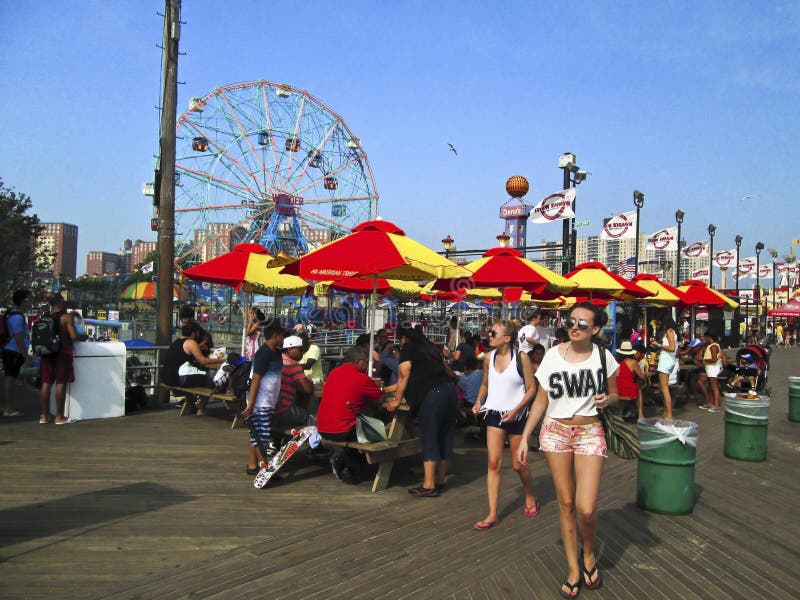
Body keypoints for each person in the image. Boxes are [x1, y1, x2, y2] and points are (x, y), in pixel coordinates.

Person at [517, 301, 619, 599]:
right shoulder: (551, 356)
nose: (575, 327)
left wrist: (607, 400)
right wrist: (525, 437)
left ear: (596, 329)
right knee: (566, 504)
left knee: (586, 507)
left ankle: (589, 553)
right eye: (572, 321)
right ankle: (574, 567)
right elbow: (540, 400)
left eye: (583, 324)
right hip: (555, 432)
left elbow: (616, 394)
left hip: (590, 431)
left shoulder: (603, 356)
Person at [471, 320, 540, 531]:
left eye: (493, 333)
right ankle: (492, 513)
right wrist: (478, 401)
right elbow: (485, 383)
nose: (489, 336)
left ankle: (529, 494)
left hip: (516, 416)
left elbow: (531, 389)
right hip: (494, 414)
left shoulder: (521, 358)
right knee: (493, 464)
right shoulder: (488, 358)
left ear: (507, 338)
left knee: (519, 464)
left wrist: (517, 410)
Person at [387, 325, 459, 497]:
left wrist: (396, 400)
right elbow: (448, 372)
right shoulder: (430, 349)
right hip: (449, 392)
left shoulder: (408, 348)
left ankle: (428, 484)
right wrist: (386, 390)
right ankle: (440, 480)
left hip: (432, 396)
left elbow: (404, 374)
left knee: (430, 436)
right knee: (444, 437)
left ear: (403, 338)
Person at [317, 346, 396, 484]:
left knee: (357, 420)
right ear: (359, 362)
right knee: (380, 425)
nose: (367, 364)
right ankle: (352, 466)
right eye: (366, 361)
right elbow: (379, 399)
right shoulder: (361, 378)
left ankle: (345, 461)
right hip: (343, 430)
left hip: (322, 428)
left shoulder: (333, 373)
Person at [241, 320, 286, 475]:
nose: (283, 339)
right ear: (275, 336)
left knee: (256, 435)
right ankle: (264, 468)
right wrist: (251, 404)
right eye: (282, 336)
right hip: (261, 402)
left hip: (267, 400)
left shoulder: (275, 352)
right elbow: (256, 379)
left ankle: (253, 466)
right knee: (262, 437)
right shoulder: (264, 353)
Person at [38, 292, 90, 425]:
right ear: (61, 302)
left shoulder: (45, 316)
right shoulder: (66, 317)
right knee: (61, 382)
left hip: (47, 353)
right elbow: (73, 336)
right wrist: (83, 337)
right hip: (62, 353)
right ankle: (59, 417)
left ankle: (44, 416)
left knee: (46, 383)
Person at [163, 322, 222, 415]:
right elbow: (203, 361)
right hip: (179, 378)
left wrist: (199, 346)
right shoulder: (191, 342)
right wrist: (221, 360)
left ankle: (192, 405)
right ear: (194, 333)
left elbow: (185, 352)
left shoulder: (176, 342)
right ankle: (201, 410)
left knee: (197, 383)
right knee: (210, 382)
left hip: (168, 377)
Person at [271, 335, 313, 446]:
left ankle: (275, 443)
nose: (302, 353)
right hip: (282, 412)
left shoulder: (277, 359)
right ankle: (314, 449)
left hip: (269, 410)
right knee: (313, 418)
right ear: (289, 349)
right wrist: (309, 381)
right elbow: (308, 390)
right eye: (299, 349)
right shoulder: (292, 364)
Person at [2, 289, 32, 417]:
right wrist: (26, 357)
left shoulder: (15, 315)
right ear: (23, 300)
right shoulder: (17, 318)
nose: (31, 301)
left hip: (12, 351)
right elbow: (19, 339)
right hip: (13, 352)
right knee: (10, 379)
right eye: (30, 298)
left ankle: (7, 407)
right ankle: (7, 409)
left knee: (10, 378)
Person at [653, 314, 678, 419]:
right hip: (669, 359)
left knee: (664, 388)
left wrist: (658, 345)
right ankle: (667, 412)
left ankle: (669, 414)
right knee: (663, 387)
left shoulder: (669, 332)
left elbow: (672, 348)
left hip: (666, 360)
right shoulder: (672, 332)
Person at [616, 340, 646, 421]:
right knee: (639, 390)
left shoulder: (616, 362)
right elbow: (642, 377)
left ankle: (621, 413)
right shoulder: (633, 362)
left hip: (617, 391)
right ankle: (640, 414)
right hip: (628, 391)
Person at [699, 331, 723, 413]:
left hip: (713, 369)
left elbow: (714, 359)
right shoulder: (711, 346)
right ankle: (710, 403)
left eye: (706, 337)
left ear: (709, 337)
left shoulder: (713, 346)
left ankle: (717, 405)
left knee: (714, 387)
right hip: (709, 368)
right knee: (710, 386)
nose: (705, 339)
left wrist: (703, 359)